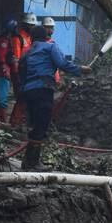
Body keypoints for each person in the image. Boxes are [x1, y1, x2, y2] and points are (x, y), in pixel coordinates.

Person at [18, 25, 91, 169]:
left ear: (32, 38)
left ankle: (27, 161)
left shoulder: (26, 52)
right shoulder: (50, 47)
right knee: (41, 125)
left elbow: (21, 71)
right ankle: (33, 162)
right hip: (43, 90)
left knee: (35, 124)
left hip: (28, 92)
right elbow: (62, 63)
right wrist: (81, 69)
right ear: (46, 37)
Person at [8, 12, 37, 126]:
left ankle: (20, 122)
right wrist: (17, 74)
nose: (32, 27)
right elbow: (16, 58)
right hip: (19, 73)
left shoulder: (30, 39)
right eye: (31, 25)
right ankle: (14, 122)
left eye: (33, 25)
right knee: (21, 98)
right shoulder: (18, 38)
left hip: (27, 73)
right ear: (25, 25)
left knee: (26, 99)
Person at [0, 18, 19, 121]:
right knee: (1, 98)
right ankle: (2, 121)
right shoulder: (4, 41)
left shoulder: (5, 40)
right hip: (0, 73)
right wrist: (4, 69)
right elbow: (1, 56)